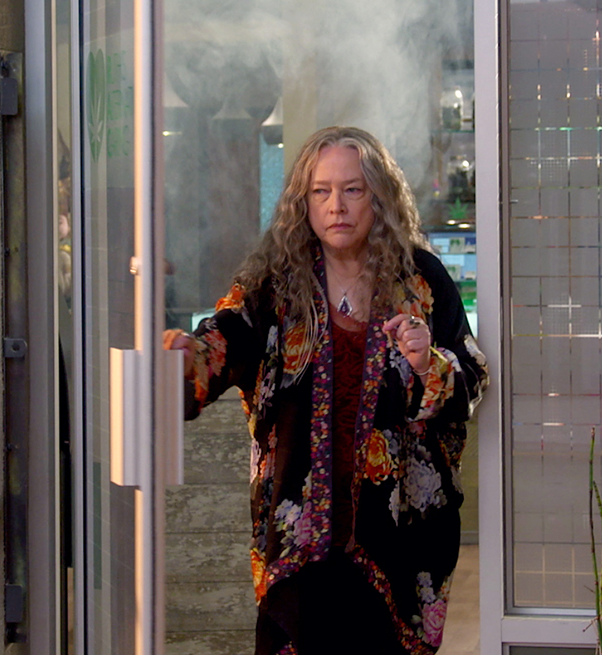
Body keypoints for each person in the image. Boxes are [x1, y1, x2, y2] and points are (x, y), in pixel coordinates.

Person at [164, 126, 488, 654]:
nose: (337, 205)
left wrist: (428, 363)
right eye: (321, 191)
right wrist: (185, 358)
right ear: (303, 202)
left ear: (379, 196)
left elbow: (472, 374)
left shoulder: (420, 279)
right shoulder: (273, 283)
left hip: (395, 541)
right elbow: (224, 338)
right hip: (298, 546)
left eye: (352, 189)